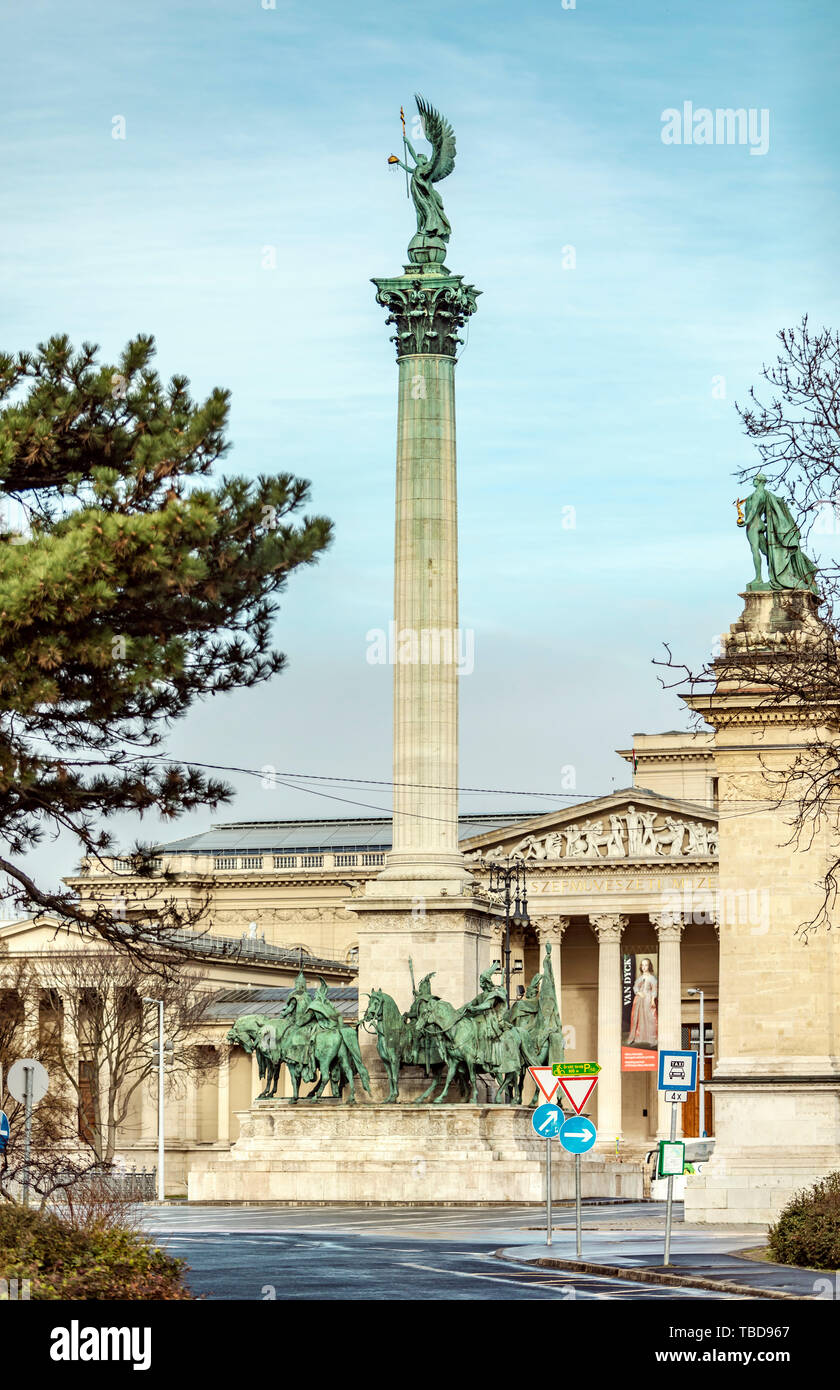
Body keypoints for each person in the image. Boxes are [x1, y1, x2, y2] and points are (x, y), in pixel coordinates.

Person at [627, 957, 658, 1047]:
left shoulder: (652, 978)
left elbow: (654, 990)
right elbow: (635, 987)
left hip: (648, 999)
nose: (644, 967)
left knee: (650, 1018)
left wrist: (653, 1000)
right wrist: (639, 992)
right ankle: (639, 1037)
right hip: (639, 1000)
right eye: (642, 965)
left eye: (646, 965)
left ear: (649, 966)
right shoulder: (640, 978)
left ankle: (652, 1038)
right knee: (639, 1018)